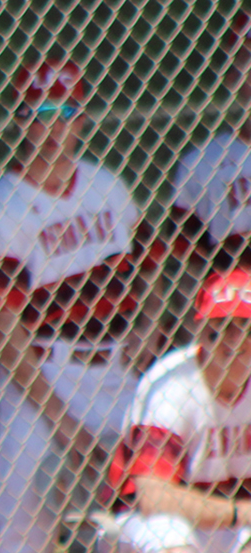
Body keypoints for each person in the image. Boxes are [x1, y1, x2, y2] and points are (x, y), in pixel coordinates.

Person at [0, 58, 165, 553]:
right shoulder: (1, 207)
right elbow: (2, 330)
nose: (53, 125)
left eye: (66, 111)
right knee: (23, 539)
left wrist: (148, 327)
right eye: (40, 112)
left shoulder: (108, 187)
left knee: (145, 523)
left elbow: (151, 269)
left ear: (82, 118)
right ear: (21, 118)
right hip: (45, 373)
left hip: (118, 371)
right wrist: (63, 421)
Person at [106, 268, 251, 553]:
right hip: (139, 526)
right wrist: (238, 516)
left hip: (236, 526)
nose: (232, 342)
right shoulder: (171, 384)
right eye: (219, 329)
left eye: (244, 327)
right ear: (200, 333)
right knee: (170, 538)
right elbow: (153, 494)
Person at [165, 12, 251, 325]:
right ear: (233, 75)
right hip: (237, 323)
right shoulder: (202, 163)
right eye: (248, 61)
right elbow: (189, 266)